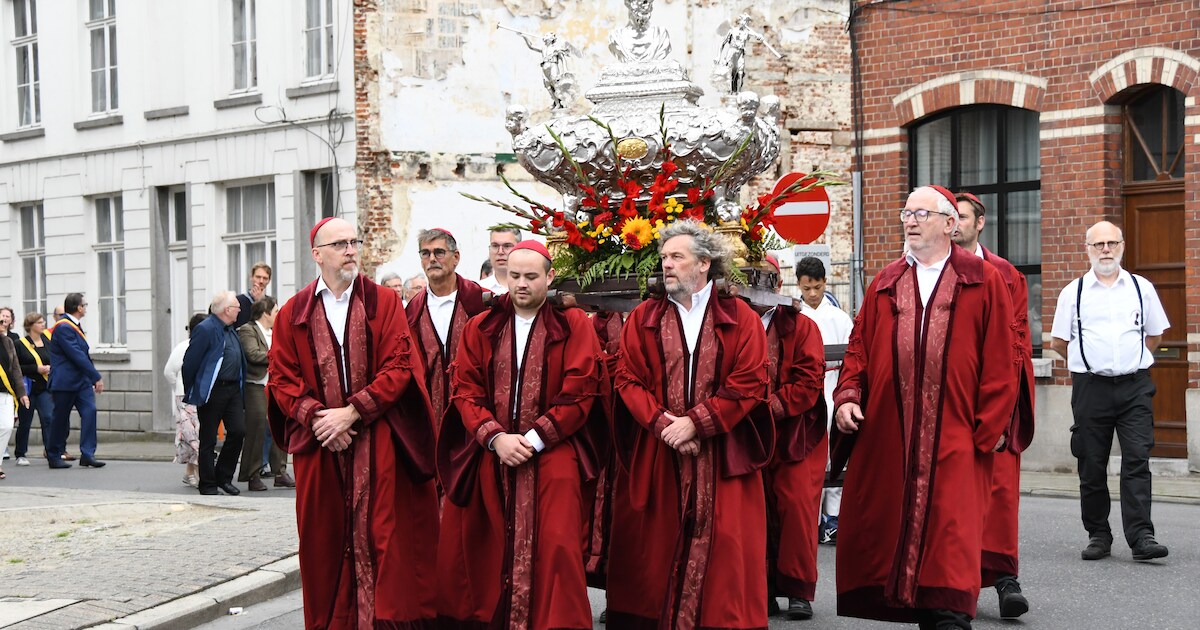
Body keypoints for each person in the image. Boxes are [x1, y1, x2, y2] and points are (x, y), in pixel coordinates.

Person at [831, 186, 1017, 630]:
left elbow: (1001, 357)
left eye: (921, 214)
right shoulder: (886, 281)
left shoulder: (983, 279)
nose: (910, 221)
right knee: (897, 530)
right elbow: (858, 351)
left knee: (951, 535)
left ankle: (950, 617)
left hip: (958, 434)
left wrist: (989, 427)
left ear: (950, 224)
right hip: (892, 434)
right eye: (907, 213)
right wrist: (848, 397)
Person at [268, 217, 439, 628]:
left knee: (385, 537)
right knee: (323, 541)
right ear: (317, 254)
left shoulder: (384, 302)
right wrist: (318, 419)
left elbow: (400, 365)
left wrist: (351, 412)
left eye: (354, 242)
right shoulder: (292, 312)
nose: (350, 250)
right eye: (340, 244)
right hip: (320, 446)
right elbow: (281, 378)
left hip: (378, 440)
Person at [607, 219, 771, 628]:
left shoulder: (741, 317)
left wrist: (697, 423)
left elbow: (750, 380)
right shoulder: (643, 317)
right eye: (663, 257)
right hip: (660, 455)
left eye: (676, 257)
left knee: (726, 559)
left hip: (723, 457)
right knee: (655, 554)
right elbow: (627, 378)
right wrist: (666, 424)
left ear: (703, 263)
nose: (666, 264)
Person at [437, 240, 607, 628]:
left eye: (531, 276)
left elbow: (581, 390)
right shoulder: (481, 325)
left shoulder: (573, 324)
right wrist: (496, 438)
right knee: (484, 548)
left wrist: (533, 439)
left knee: (558, 546)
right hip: (492, 451)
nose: (522, 284)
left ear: (550, 277)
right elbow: (464, 390)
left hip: (554, 450)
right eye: (514, 276)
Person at [1050, 220, 1170, 563]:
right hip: (1091, 388)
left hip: (1134, 387)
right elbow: (1059, 342)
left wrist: (1133, 361)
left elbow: (1155, 335)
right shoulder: (1073, 292)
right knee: (1091, 464)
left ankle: (1141, 536)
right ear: (1087, 249)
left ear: (1122, 246)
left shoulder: (1141, 288)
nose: (1106, 250)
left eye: (1112, 243)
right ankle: (1098, 535)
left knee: (1137, 459)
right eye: (1099, 244)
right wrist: (1090, 363)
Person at [953, 192, 1036, 618]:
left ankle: (1006, 579)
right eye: (951, 217)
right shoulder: (935, 272)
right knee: (952, 499)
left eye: (963, 217)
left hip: (996, 397)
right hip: (951, 399)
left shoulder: (1005, 274)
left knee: (1000, 495)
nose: (956, 225)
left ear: (979, 223)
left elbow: (1016, 341)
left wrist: (1005, 407)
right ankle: (955, 587)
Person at [755, 255, 826, 621]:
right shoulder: (734, 323)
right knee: (754, 510)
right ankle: (763, 588)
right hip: (749, 433)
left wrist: (769, 407)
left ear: (779, 284)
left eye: (767, 278)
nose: (760, 285)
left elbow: (809, 381)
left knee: (796, 505)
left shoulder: (803, 326)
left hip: (796, 431)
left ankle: (798, 589)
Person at [795, 255, 854, 546]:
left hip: (833, 386)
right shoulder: (794, 317)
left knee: (836, 456)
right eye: (807, 288)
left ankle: (832, 518)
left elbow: (852, 356)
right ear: (798, 285)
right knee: (809, 458)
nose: (813, 294)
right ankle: (810, 518)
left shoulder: (840, 318)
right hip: (805, 391)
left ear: (824, 283)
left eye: (817, 287)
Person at [404, 228, 484, 434]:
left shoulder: (481, 301)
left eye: (439, 252)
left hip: (475, 412)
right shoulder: (412, 312)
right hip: (429, 415)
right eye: (425, 253)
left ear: (456, 257)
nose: (432, 259)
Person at [182, 291, 248, 496]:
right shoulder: (206, 329)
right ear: (227, 310)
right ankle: (208, 484)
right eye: (237, 307)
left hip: (233, 389)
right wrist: (194, 389)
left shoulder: (231, 328)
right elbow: (190, 363)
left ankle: (223, 477)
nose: (239, 310)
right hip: (213, 390)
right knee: (208, 438)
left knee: (238, 431)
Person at [238, 297, 292, 491]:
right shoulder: (248, 330)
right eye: (276, 311)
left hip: (277, 385)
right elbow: (252, 354)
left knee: (280, 426)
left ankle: (280, 472)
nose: (278, 314)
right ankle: (252, 474)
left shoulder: (276, 331)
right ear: (266, 313)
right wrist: (279, 357)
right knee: (258, 428)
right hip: (256, 385)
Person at [47, 293, 105, 469]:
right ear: (78, 308)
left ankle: (87, 453)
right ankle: (54, 454)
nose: (85, 308)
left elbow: (83, 355)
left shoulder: (74, 326)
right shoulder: (63, 327)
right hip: (65, 382)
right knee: (60, 419)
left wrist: (91, 377)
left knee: (90, 411)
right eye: (84, 305)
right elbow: (76, 355)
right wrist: (96, 376)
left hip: (81, 382)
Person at [164, 313, 206, 487]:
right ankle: (199, 473)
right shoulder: (184, 347)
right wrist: (179, 389)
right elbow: (169, 372)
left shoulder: (208, 346)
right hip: (186, 397)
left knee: (197, 434)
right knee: (193, 435)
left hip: (202, 396)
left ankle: (189, 472)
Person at [13, 313, 56, 468]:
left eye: (43, 322)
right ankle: (20, 453)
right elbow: (16, 367)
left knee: (48, 418)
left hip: (44, 387)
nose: (43, 324)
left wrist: (50, 368)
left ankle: (51, 451)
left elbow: (54, 359)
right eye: (39, 322)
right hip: (28, 388)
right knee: (25, 421)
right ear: (30, 326)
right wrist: (36, 369)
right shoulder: (20, 344)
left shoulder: (47, 342)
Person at [0, 333, 30, 480]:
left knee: (6, 426)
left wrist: (22, 393)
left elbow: (16, 369)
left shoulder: (7, 342)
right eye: (1, 322)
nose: (3, 324)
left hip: (6, 392)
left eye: (4, 322)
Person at [478, 227, 521, 295]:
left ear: (519, 249)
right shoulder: (478, 290)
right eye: (495, 246)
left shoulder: (529, 287)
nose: (500, 252)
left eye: (507, 246)